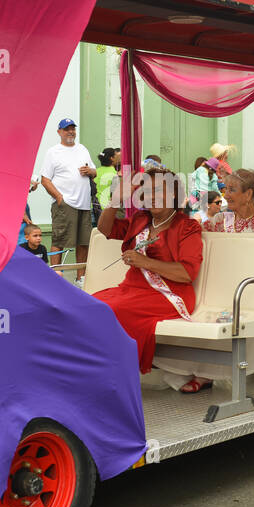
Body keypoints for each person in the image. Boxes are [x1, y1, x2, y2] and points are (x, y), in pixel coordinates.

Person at [167, 169, 254, 392]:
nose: (226, 195)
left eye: (232, 190)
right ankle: (196, 368)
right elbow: (199, 235)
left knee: (232, 307)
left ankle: (207, 374)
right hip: (226, 285)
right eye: (225, 189)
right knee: (200, 306)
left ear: (248, 193)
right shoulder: (221, 219)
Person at [93, 168, 203, 375]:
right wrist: (116, 200)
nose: (151, 197)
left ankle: (113, 370)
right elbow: (105, 229)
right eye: (147, 191)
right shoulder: (140, 220)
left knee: (112, 309)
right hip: (130, 289)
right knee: (89, 304)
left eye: (157, 191)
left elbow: (187, 273)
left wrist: (144, 261)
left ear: (172, 193)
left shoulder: (187, 227)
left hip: (167, 294)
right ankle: (94, 365)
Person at [40, 119, 96, 276]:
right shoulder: (53, 152)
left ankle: (80, 278)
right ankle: (55, 277)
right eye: (67, 129)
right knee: (60, 242)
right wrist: (59, 198)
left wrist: (89, 171)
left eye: (73, 129)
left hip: (84, 204)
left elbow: (94, 171)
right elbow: (45, 180)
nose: (70, 132)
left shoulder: (82, 149)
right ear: (59, 132)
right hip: (65, 205)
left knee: (83, 243)